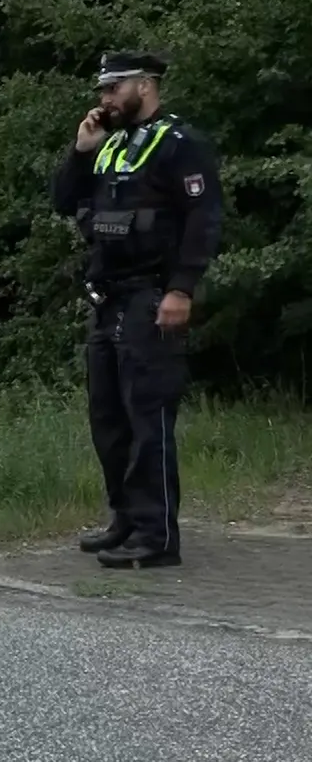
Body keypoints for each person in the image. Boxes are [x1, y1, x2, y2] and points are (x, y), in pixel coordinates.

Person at [50, 50, 224, 570]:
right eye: (103, 89)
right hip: (107, 298)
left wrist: (182, 289)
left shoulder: (179, 145)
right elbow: (63, 202)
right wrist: (81, 153)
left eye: (113, 88)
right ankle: (124, 520)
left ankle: (156, 537)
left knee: (149, 417)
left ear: (144, 86)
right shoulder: (111, 145)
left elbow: (204, 219)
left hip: (153, 295)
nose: (103, 99)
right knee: (108, 418)